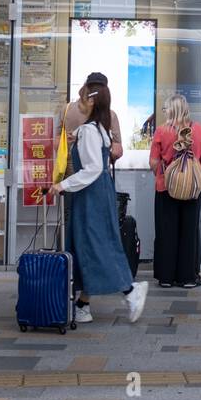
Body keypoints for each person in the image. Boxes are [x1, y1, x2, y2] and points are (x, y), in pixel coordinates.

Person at [55, 83, 148, 324]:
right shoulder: (98, 128)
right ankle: (83, 304)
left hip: (90, 196)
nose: (78, 103)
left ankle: (130, 290)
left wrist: (62, 185)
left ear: (92, 102)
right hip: (99, 194)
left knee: (93, 245)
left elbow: (93, 168)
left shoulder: (89, 131)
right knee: (89, 244)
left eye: (82, 99)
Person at [149, 94, 201, 289]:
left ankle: (166, 277)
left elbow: (153, 161)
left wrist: (166, 174)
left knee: (166, 231)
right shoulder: (199, 129)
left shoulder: (162, 131)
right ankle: (188, 277)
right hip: (191, 189)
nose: (165, 111)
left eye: (166, 108)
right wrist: (191, 175)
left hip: (165, 188)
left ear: (171, 110)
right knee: (189, 231)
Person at [60, 72, 123, 165]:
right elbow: (116, 152)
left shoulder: (66, 109)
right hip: (97, 173)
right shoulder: (110, 115)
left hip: (70, 170)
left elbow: (57, 143)